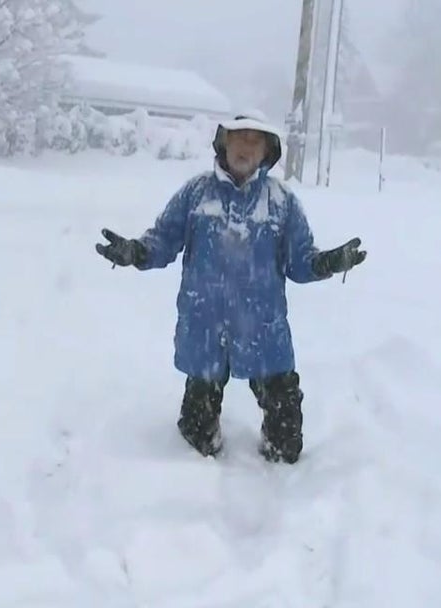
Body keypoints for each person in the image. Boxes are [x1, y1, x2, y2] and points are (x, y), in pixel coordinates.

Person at [94, 114, 366, 464]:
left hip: (263, 331)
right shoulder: (196, 194)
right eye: (239, 138)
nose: (245, 147)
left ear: (268, 150)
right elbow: (162, 240)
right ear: (224, 142)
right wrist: (136, 252)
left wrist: (328, 262)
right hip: (205, 326)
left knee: (287, 444)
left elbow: (301, 261)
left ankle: (282, 476)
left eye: (255, 140)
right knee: (194, 443)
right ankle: (194, 484)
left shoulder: (282, 202)